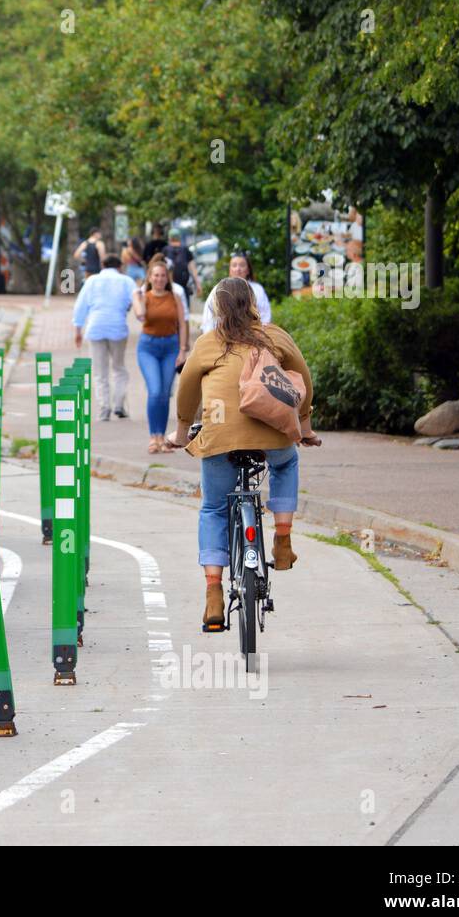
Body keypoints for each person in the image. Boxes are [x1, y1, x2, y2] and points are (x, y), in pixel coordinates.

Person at [166, 276, 320, 632]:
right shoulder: (274, 336)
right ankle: (282, 540)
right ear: (252, 304)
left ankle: (213, 594)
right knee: (286, 463)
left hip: (219, 434)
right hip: (272, 433)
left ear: (217, 309)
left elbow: (187, 392)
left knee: (214, 508)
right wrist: (306, 427)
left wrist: (179, 431)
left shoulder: (208, 344)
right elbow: (304, 381)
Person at [133, 258, 189, 452]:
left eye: (162, 275)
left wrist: (183, 349)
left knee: (165, 394)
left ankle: (162, 438)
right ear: (150, 277)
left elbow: (183, 323)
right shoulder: (143, 296)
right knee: (155, 391)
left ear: (167, 278)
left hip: (171, 347)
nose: (159, 279)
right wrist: (137, 295)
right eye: (155, 275)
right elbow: (140, 315)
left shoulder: (175, 297)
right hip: (148, 347)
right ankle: (153, 437)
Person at [72, 254, 135, 421]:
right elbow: (136, 301)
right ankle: (119, 404)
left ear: (102, 265)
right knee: (119, 368)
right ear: (119, 266)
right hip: (117, 328)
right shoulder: (127, 281)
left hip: (95, 328)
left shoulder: (91, 281)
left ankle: (104, 408)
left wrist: (77, 329)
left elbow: (80, 305)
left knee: (100, 372)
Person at [201, 251, 271, 333]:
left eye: (242, 265)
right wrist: (210, 338)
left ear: (248, 270)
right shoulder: (219, 289)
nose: (238, 269)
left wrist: (262, 332)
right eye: (234, 265)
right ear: (230, 270)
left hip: (253, 336)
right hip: (224, 336)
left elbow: (265, 315)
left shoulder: (258, 289)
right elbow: (209, 317)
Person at [164, 230, 201, 310]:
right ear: (179, 238)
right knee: (184, 310)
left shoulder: (165, 250)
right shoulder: (185, 250)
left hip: (169, 286)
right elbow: (193, 268)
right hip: (183, 286)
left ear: (169, 238)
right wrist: (198, 284)